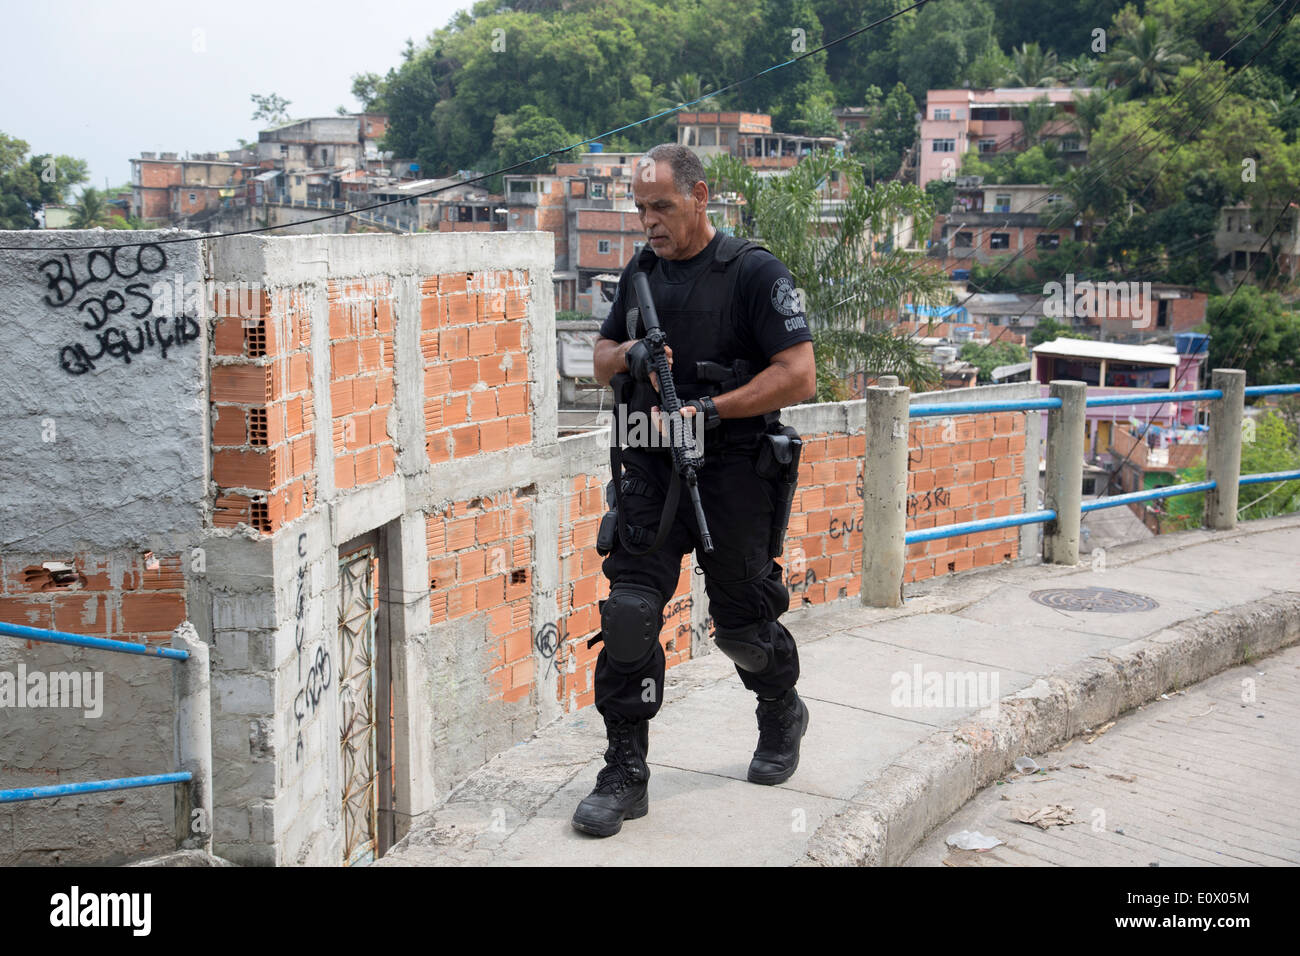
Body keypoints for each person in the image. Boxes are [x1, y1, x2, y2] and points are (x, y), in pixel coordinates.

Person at [571, 143, 816, 837]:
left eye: (662, 207)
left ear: (701, 196)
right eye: (641, 208)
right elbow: (597, 362)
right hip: (650, 466)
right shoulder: (641, 274)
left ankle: (780, 708)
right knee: (629, 613)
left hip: (734, 468)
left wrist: (711, 410)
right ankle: (625, 771)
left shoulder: (753, 273)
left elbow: (799, 375)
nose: (649, 221)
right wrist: (631, 355)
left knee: (740, 624)